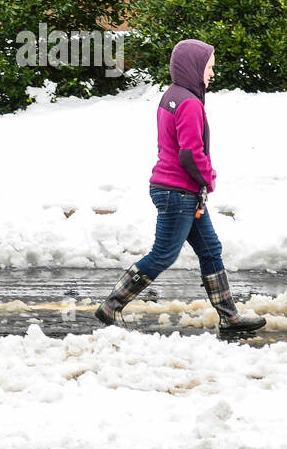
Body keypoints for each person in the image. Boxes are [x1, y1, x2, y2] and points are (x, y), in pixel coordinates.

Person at [94, 38, 265, 337]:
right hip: (179, 192)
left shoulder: (171, 95)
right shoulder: (189, 102)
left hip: (178, 189)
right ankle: (112, 306)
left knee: (210, 249)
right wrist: (208, 178)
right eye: (209, 68)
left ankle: (229, 317)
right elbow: (190, 153)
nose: (211, 74)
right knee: (163, 254)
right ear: (194, 67)